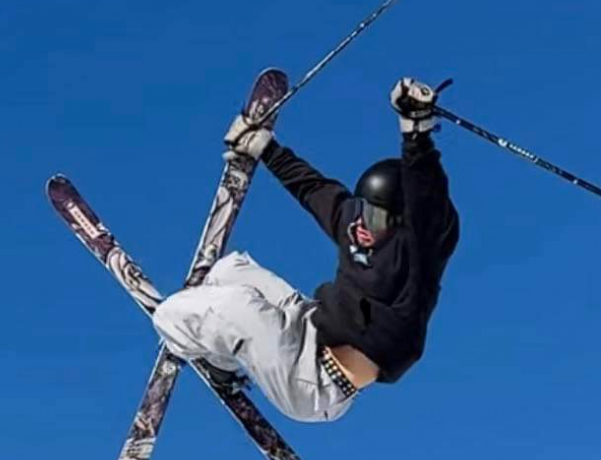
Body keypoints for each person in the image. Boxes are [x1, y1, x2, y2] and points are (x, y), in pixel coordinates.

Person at [151, 77, 460, 423]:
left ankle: (178, 327)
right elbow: (313, 189)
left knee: (213, 307)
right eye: (362, 209)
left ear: (401, 225)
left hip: (316, 385)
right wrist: (264, 147)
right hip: (308, 327)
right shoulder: (354, 224)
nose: (362, 224)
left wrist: (416, 132)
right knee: (228, 271)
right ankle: (217, 354)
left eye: (376, 218)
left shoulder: (415, 254)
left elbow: (427, 201)